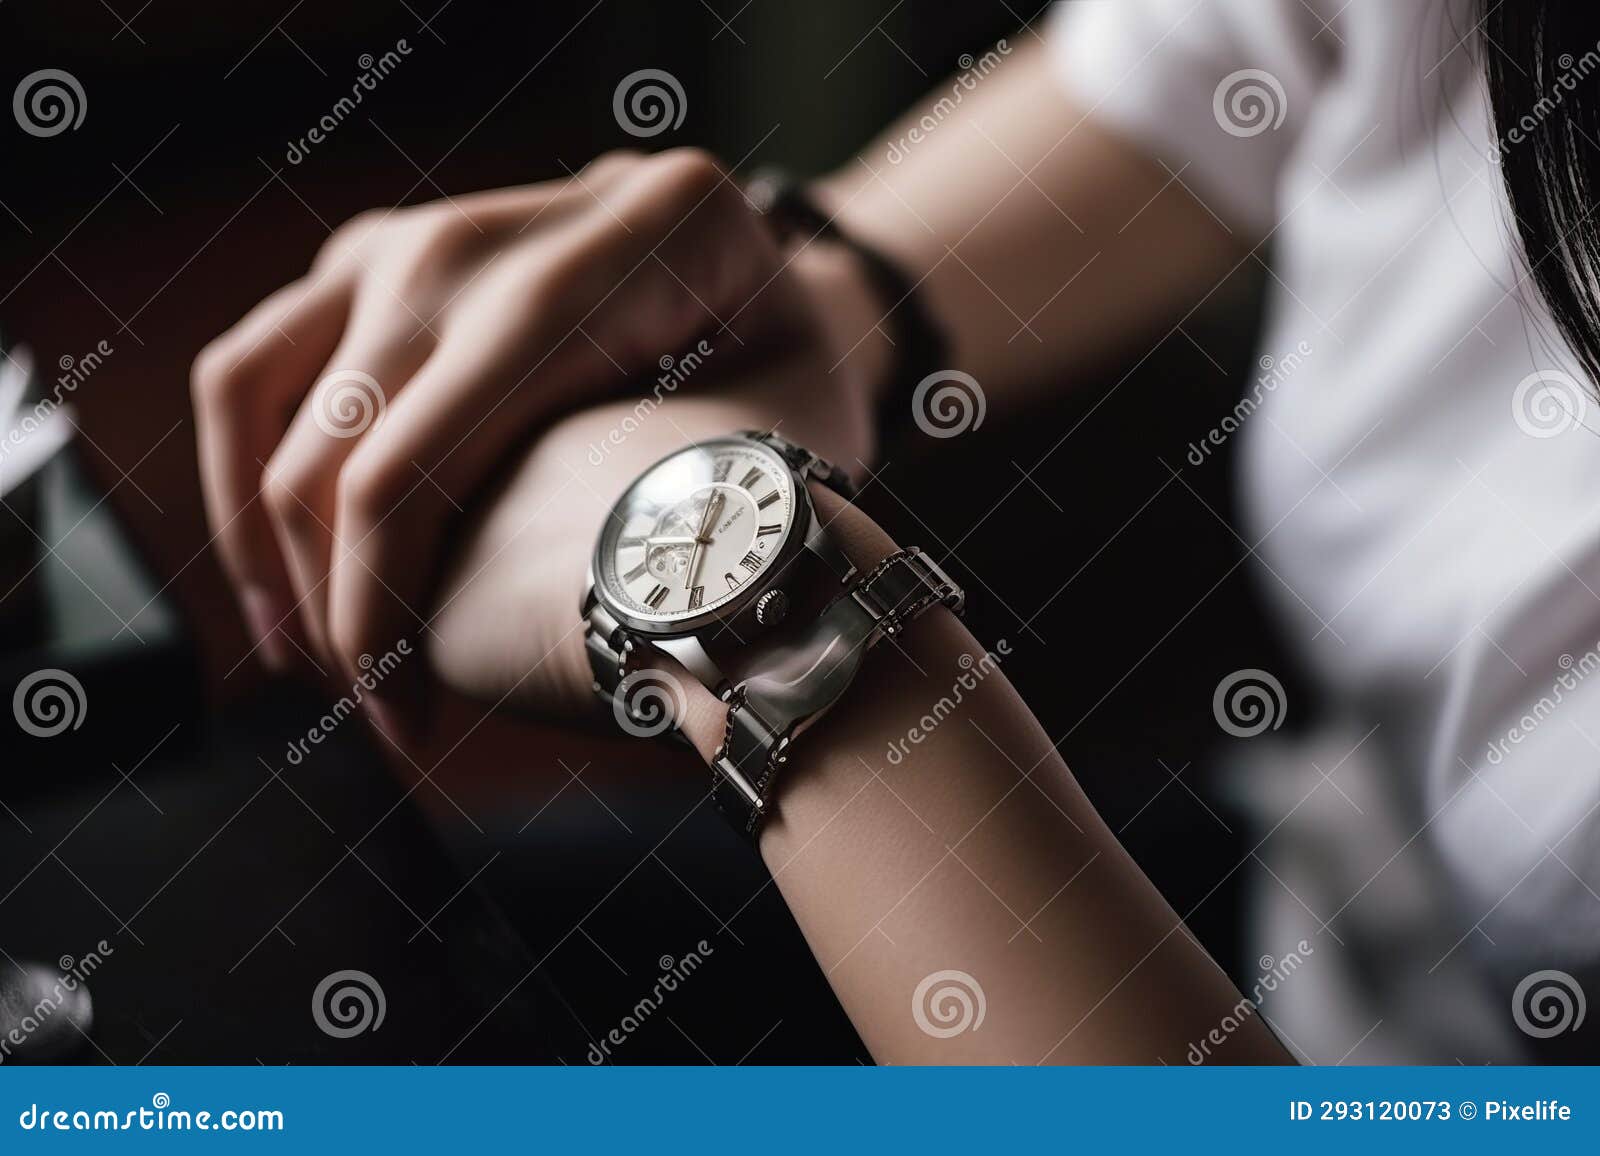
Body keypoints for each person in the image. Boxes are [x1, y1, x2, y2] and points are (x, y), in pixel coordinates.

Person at [190, 0, 1600, 1063]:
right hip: (1343, 889)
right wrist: (825, 298)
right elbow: (1233, 58)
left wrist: (762, 600)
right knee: (218, 950)